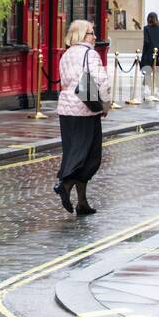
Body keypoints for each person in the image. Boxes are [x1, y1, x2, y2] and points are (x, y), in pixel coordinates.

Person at [55, 20, 111, 215]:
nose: (95, 37)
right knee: (90, 157)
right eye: (91, 33)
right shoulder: (90, 54)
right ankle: (65, 184)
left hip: (66, 110)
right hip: (85, 109)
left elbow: (63, 80)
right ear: (80, 35)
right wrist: (105, 105)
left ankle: (82, 202)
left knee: (73, 152)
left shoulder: (66, 54)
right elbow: (101, 82)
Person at [139, 12, 159, 100]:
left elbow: (146, 42)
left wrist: (143, 54)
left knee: (148, 71)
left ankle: (147, 89)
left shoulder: (146, 28)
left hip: (149, 52)